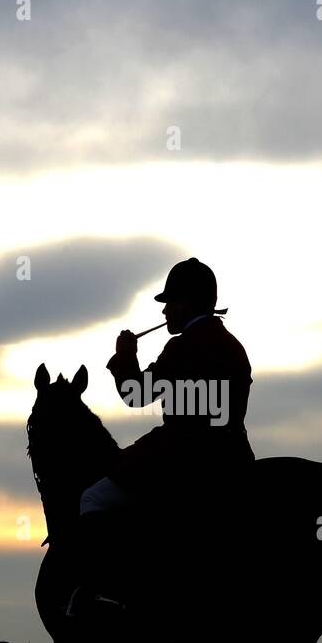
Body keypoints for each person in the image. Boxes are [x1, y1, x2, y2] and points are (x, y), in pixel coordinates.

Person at [67, 258, 254, 616]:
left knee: (92, 498)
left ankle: (105, 593)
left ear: (188, 303)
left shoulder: (182, 347)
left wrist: (125, 358)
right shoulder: (233, 346)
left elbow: (135, 394)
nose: (166, 310)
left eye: (170, 302)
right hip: (232, 457)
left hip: (181, 455)